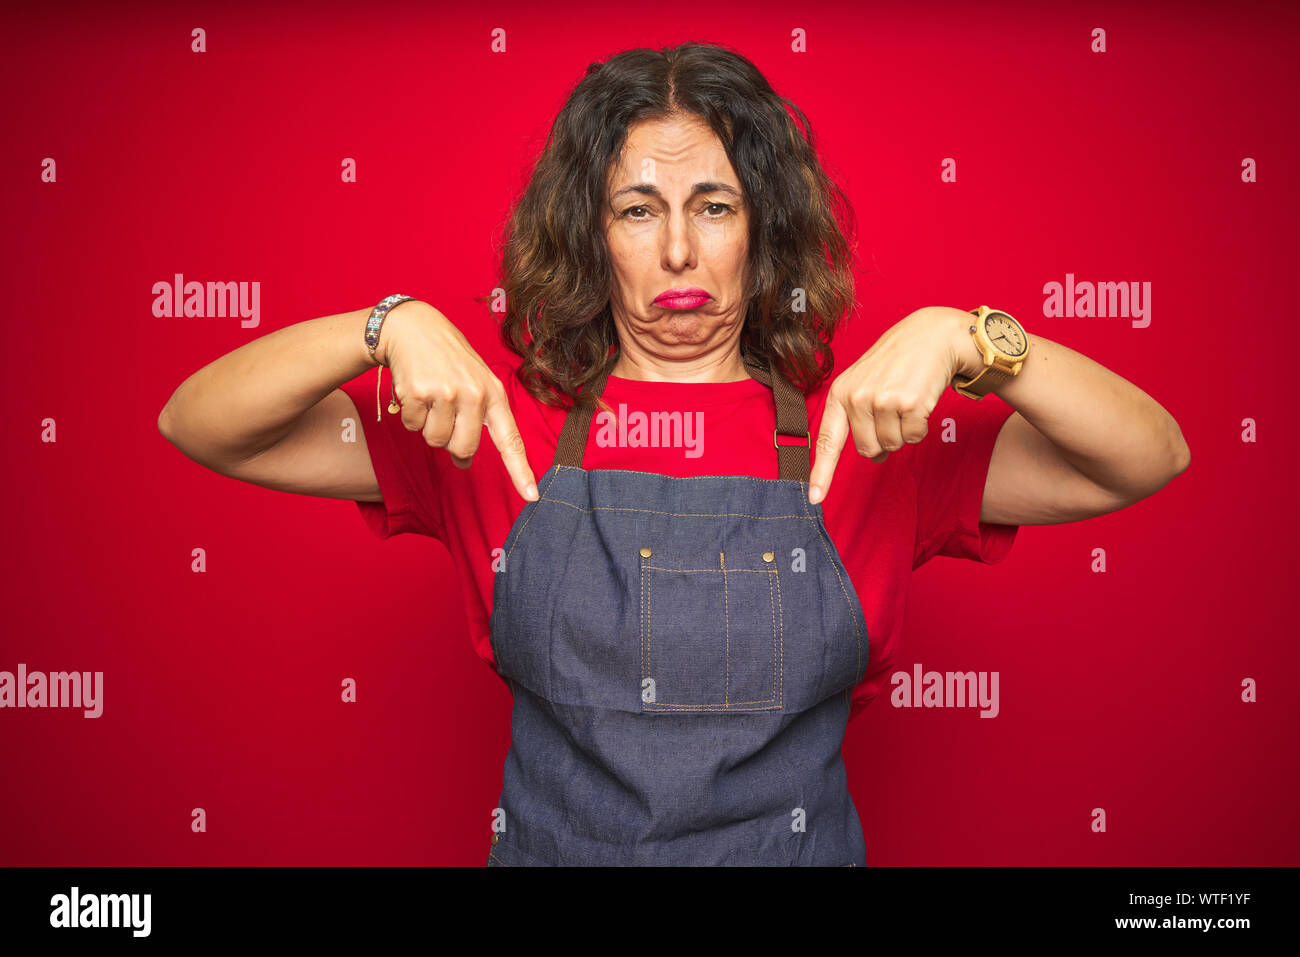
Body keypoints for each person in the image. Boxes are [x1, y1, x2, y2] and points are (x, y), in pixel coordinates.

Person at [157, 42, 1190, 866]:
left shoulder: (868, 430)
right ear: (589, 234)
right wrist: (385, 324)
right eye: (638, 211)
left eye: (714, 207)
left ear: (762, 233)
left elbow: (1145, 455)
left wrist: (972, 335)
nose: (680, 254)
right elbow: (198, 423)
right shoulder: (484, 427)